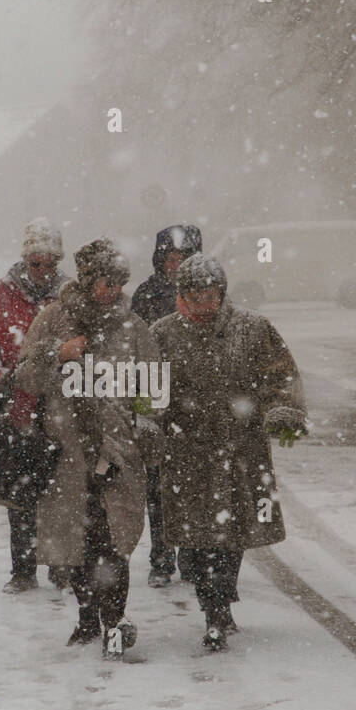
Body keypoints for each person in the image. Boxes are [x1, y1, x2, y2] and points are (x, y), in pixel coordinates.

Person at [152, 253, 308, 652]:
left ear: (222, 293)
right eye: (195, 296)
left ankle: (218, 607)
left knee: (233, 531)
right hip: (185, 452)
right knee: (195, 537)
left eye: (211, 295)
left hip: (242, 448)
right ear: (181, 296)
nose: (205, 305)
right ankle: (212, 602)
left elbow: (281, 376)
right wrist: (146, 421)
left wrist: (283, 410)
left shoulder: (253, 330)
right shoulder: (162, 335)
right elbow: (146, 390)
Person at [15, 238, 162, 655]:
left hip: (118, 454)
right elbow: (25, 376)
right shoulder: (53, 319)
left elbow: (153, 389)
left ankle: (114, 623)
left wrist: (146, 424)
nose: (111, 290)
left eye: (118, 282)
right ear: (86, 280)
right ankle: (85, 619)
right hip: (67, 453)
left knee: (115, 544)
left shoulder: (134, 328)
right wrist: (57, 354)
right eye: (104, 282)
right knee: (77, 544)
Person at [0, 218, 67, 593]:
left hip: (62, 406)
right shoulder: (0, 295)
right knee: (20, 490)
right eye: (35, 262)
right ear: (25, 260)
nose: (42, 270)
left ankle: (61, 564)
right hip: (18, 405)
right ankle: (23, 569)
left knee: (60, 489)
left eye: (49, 263)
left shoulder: (70, 296)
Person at [131, 224, 203, 587]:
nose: (175, 266)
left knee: (192, 487)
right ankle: (161, 558)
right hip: (156, 398)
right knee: (157, 487)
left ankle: (190, 555)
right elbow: (134, 352)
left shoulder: (206, 293)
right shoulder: (145, 294)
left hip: (194, 404)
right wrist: (142, 407)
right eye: (170, 259)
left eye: (183, 259)